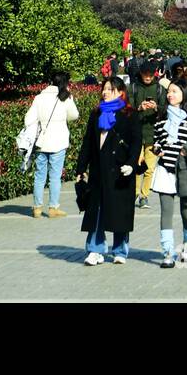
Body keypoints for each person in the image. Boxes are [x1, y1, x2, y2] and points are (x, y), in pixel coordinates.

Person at [76, 76, 141, 265]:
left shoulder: (130, 114)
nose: (105, 92)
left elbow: (137, 142)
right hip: (98, 170)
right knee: (95, 211)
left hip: (120, 170)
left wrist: (131, 163)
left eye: (110, 89)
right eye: (104, 89)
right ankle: (95, 250)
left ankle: (120, 250)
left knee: (119, 211)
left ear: (120, 93)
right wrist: (81, 168)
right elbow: (88, 142)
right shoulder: (96, 114)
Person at [150, 82, 187, 267]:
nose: (170, 95)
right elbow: (157, 141)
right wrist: (157, 149)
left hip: (186, 171)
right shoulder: (161, 119)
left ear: (184, 94)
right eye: (169, 92)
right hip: (165, 170)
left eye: (174, 91)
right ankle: (167, 252)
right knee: (166, 212)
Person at [25, 73, 81, 218]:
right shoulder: (66, 97)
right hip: (59, 142)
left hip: (41, 143)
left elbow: (28, 119)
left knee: (39, 176)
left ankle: (37, 208)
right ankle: (53, 207)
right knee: (55, 177)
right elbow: (74, 115)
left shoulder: (39, 98)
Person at [131, 60, 166, 209]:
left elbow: (166, 110)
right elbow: (126, 108)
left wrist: (156, 107)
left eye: (150, 74)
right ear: (141, 73)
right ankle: (132, 195)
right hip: (136, 133)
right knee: (136, 167)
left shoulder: (160, 89)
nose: (148, 77)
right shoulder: (133, 88)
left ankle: (144, 196)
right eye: (145, 74)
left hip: (153, 134)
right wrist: (138, 108)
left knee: (149, 168)